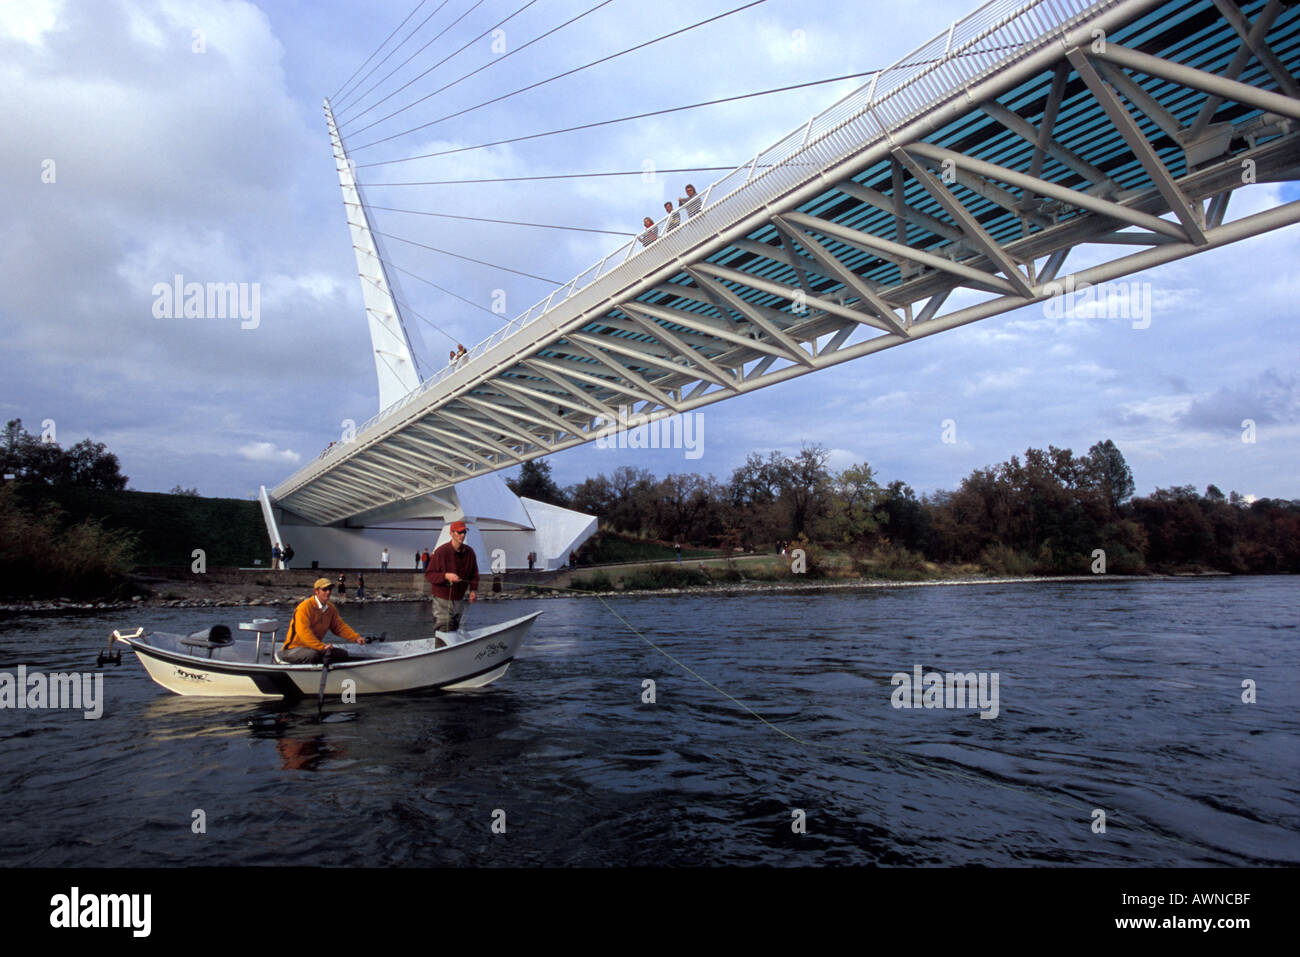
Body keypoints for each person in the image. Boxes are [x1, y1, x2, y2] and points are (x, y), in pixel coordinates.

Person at [280, 579, 368, 664]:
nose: (328, 592)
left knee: (342, 654)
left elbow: (339, 627)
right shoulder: (304, 608)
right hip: (293, 649)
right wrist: (322, 647)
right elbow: (303, 632)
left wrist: (355, 638)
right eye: (324, 589)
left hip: (313, 648)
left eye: (330, 589)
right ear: (316, 591)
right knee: (312, 655)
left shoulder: (330, 608)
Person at [425, 520, 478, 633]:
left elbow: (474, 573)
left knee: (455, 630)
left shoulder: (470, 552)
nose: (462, 535)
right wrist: (445, 576)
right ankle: (441, 650)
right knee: (443, 630)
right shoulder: (441, 552)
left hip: (459, 599)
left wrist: (473, 590)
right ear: (451, 533)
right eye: (459, 532)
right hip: (442, 600)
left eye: (464, 532)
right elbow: (429, 575)